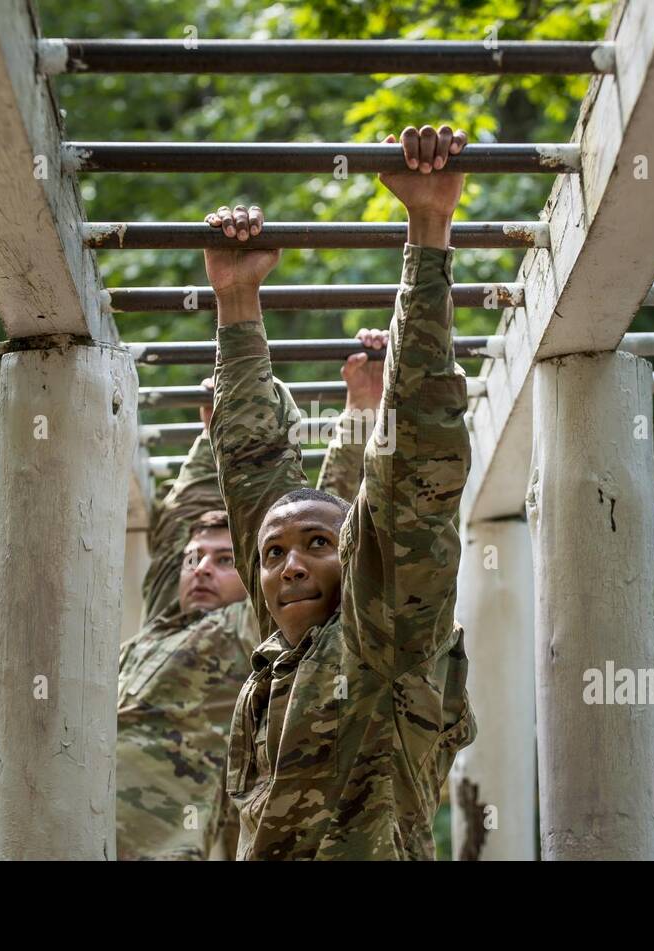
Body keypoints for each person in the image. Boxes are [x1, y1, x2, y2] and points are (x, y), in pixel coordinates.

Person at [206, 123, 476, 860]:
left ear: (355, 556)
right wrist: (236, 303)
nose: (289, 565)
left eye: (318, 545)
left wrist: (428, 230)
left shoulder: (383, 641)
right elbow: (252, 475)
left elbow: (415, 460)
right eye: (273, 556)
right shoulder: (279, 654)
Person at [115, 339, 380, 859]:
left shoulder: (249, 628)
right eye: (195, 560)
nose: (200, 570)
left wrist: (357, 415)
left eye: (223, 561)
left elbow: (319, 528)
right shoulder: (162, 621)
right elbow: (183, 520)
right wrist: (214, 434)